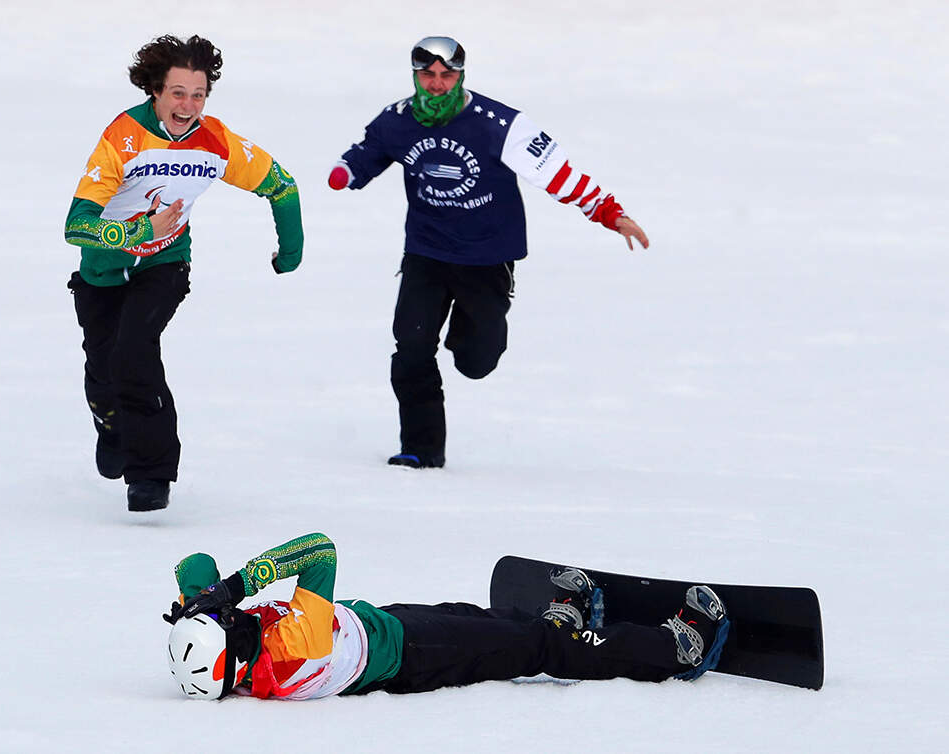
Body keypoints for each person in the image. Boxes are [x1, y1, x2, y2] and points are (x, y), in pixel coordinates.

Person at [328, 37, 650, 469]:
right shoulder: (398, 119)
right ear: (415, 75)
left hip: (486, 257)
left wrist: (609, 213)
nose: (438, 84)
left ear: (461, 75)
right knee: (411, 346)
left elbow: (559, 174)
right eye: (429, 75)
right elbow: (372, 149)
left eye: (447, 75)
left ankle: (467, 330)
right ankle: (420, 450)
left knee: (478, 362)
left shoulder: (500, 124)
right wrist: (348, 171)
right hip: (427, 251)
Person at [64, 35, 303, 511]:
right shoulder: (123, 138)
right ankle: (111, 425)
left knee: (135, 351)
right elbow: (77, 226)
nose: (187, 105)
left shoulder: (216, 140)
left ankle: (151, 476)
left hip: (166, 263)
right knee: (103, 371)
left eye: (198, 94)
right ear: (155, 90)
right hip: (103, 271)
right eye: (177, 92)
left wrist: (290, 250)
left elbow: (281, 185)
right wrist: (134, 231)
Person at [162, 533, 729, 700]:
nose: (231, 615)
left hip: (384, 625)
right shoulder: (289, 648)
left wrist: (199, 597)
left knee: (483, 619)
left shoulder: (235, 657)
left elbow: (195, 565)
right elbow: (321, 550)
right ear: (233, 653)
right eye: (223, 622)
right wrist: (234, 587)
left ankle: (557, 621)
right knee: (532, 651)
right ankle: (673, 651)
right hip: (412, 657)